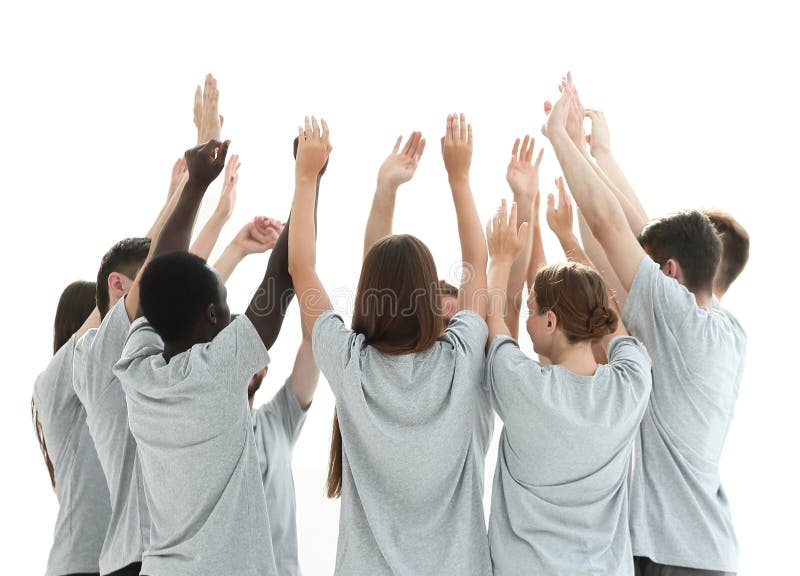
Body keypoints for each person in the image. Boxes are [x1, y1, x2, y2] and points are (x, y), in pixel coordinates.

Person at [544, 81, 746, 576]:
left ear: (671, 273)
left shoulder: (674, 316)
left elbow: (611, 225)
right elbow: (644, 232)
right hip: (709, 549)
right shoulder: (725, 327)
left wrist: (561, 141)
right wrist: (601, 153)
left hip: (671, 555)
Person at [289, 114, 492, 575]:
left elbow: (301, 266)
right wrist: (459, 176)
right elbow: (477, 263)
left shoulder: (352, 367)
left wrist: (306, 178)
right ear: (431, 299)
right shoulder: (458, 360)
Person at [113, 133, 320, 576]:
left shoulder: (137, 370)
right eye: (226, 309)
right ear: (210, 315)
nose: (233, 320)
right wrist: (308, 180)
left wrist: (195, 186)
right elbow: (281, 280)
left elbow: (157, 275)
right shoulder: (218, 372)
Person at [483, 190, 652, 574]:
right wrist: (566, 238)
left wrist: (500, 259)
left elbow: (492, 320)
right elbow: (610, 317)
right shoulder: (632, 382)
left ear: (550, 322)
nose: (525, 321)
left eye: (531, 310)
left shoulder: (522, 387)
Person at [32, 281, 112, 576]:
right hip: (80, 565)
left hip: (126, 563)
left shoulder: (113, 396)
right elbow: (121, 302)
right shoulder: (55, 386)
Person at [247, 309, 319, 576]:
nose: (243, 358)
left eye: (250, 350)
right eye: (234, 348)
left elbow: (313, 341)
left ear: (265, 368)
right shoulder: (201, 429)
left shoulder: (278, 418)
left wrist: (297, 271)